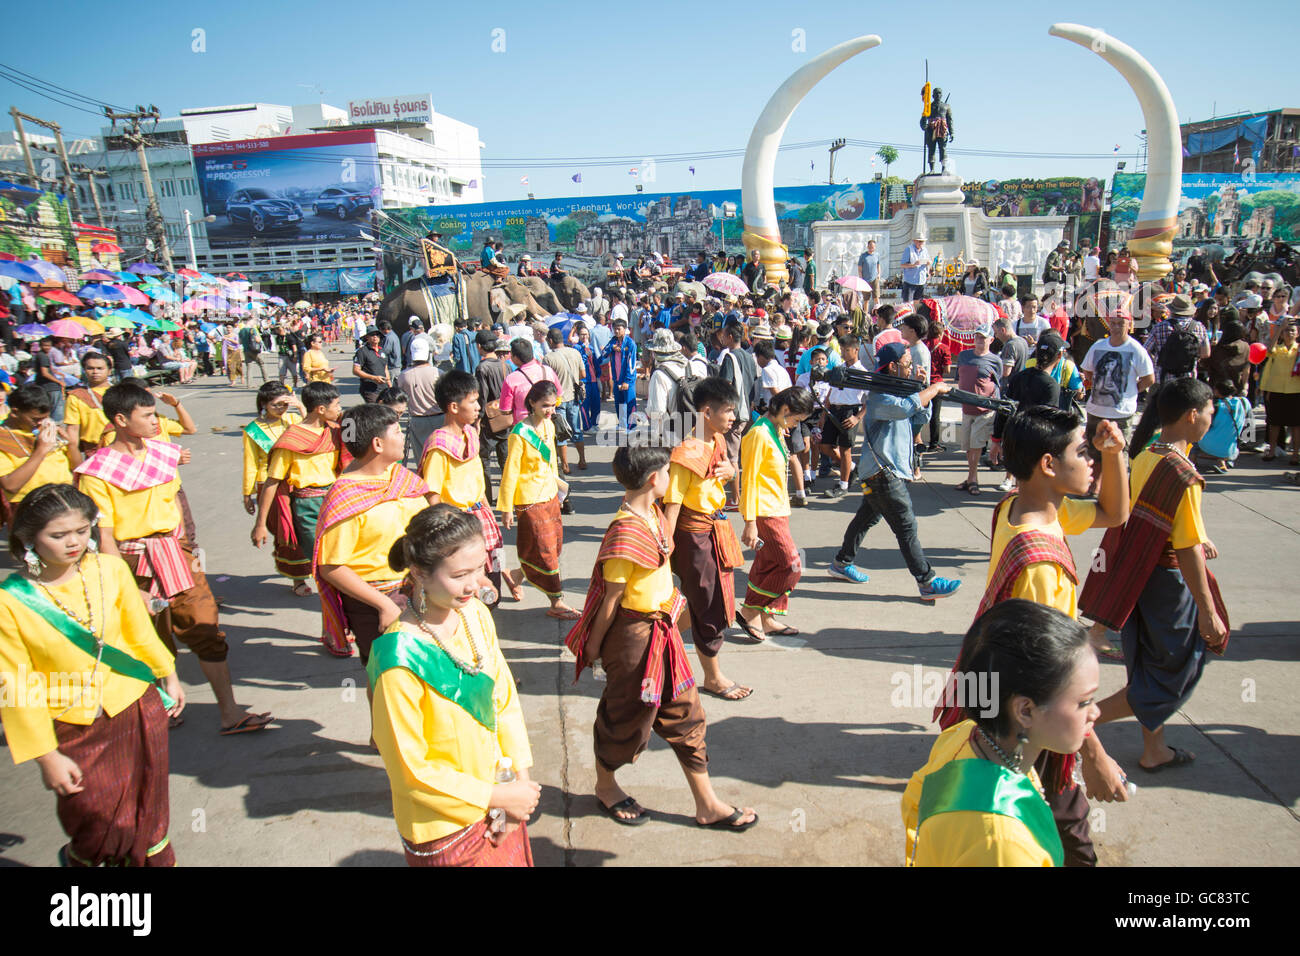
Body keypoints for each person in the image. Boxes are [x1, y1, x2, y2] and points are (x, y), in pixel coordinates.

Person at [563, 446, 757, 830]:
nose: (670, 479)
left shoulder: (651, 514)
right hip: (634, 640)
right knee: (626, 720)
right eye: (667, 473)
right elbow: (609, 601)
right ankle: (606, 786)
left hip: (663, 636)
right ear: (655, 480)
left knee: (687, 715)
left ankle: (708, 804)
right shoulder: (625, 530)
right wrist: (596, 647)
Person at [0, 484, 185, 866]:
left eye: (82, 531)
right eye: (58, 534)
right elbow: (14, 684)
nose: (74, 542)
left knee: (149, 809)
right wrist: (46, 755)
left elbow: (137, 631)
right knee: (94, 821)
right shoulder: (10, 601)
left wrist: (169, 675)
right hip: (72, 723)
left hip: (135, 706)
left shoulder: (110, 569)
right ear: (28, 538)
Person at [78, 383, 270, 735]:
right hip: (132, 561)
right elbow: (104, 537)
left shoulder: (162, 453)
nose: (156, 421)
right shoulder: (96, 472)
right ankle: (161, 707)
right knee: (148, 636)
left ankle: (230, 712)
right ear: (121, 420)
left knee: (205, 626)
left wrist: (184, 550)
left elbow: (175, 506)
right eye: (148, 415)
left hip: (175, 552)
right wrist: (124, 585)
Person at [369, 505, 539, 865]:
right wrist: (496, 798)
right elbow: (411, 770)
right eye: (460, 574)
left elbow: (504, 703)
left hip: (503, 800)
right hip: (444, 825)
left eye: (480, 568)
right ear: (419, 572)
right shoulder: (397, 659)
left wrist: (518, 789)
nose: (476, 583)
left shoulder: (475, 614)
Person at [1082, 378, 1228, 773]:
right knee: (1170, 672)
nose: (1210, 422)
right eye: (1210, 415)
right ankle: (1081, 720)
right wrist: (1207, 609)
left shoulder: (1149, 454)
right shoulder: (1182, 473)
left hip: (1139, 581)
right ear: (1192, 415)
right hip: (1167, 584)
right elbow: (1186, 548)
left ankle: (1154, 748)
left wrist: (1198, 535)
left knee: (1146, 664)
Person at [902, 601, 1100, 867]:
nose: (1095, 713)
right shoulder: (1002, 848)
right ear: (1025, 711)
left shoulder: (964, 736)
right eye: (1084, 702)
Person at [829, 343, 962, 599]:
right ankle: (926, 581)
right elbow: (903, 409)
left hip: (884, 472)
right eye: (907, 364)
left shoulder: (900, 394)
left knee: (865, 519)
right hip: (882, 473)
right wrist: (933, 388)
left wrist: (923, 392)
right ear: (892, 366)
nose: (911, 368)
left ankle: (841, 563)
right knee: (906, 525)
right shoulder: (879, 397)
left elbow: (916, 419)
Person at [314, 405, 432, 665]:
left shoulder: (399, 476)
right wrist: (383, 605)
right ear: (378, 443)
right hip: (376, 600)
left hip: (419, 588)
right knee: (390, 673)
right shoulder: (345, 497)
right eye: (398, 431)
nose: (403, 437)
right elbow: (330, 566)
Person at [661, 377, 749, 701]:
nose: (733, 417)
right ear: (706, 411)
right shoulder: (686, 453)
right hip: (693, 536)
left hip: (714, 530)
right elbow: (673, 504)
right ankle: (712, 678)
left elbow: (724, 470)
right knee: (709, 605)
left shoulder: (717, 440)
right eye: (727, 411)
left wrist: (730, 473)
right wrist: (664, 546)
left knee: (704, 602)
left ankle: (655, 641)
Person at [251, 382, 346, 626]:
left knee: (343, 562)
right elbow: (272, 482)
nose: (341, 409)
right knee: (325, 568)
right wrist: (260, 523)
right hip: (308, 506)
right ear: (322, 409)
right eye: (337, 405)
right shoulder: (291, 440)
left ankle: (341, 616)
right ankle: (334, 625)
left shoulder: (335, 431)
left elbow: (354, 449)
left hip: (335, 501)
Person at [424, 370, 517, 606]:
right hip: (456, 523)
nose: (478, 407)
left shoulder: (471, 435)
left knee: (492, 573)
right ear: (454, 407)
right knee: (467, 584)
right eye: (473, 401)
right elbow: (433, 495)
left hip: (481, 516)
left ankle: (492, 604)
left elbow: (478, 482)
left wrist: (489, 513)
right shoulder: (438, 445)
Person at [734, 386, 812, 639]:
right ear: (786, 410)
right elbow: (751, 481)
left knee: (767, 564)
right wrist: (750, 522)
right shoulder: (759, 434)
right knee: (792, 565)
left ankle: (766, 617)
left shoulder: (774, 429)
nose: (795, 424)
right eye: (796, 419)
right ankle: (749, 612)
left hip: (777, 508)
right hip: (765, 512)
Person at [497, 380, 578, 619]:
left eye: (553, 405)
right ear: (531, 402)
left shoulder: (549, 426)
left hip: (550, 495)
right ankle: (557, 601)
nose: (550, 410)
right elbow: (510, 471)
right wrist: (506, 507)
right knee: (545, 552)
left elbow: (552, 461)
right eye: (545, 405)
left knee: (553, 547)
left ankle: (515, 576)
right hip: (530, 500)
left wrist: (560, 491)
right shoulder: (519, 434)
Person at [242, 382, 309, 594]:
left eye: (284, 404)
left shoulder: (292, 419)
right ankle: (298, 579)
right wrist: (247, 494)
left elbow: (311, 433)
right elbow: (250, 463)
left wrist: (300, 407)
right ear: (263, 404)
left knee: (305, 529)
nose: (281, 409)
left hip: (296, 481)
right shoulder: (254, 430)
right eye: (276, 405)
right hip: (270, 484)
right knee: (287, 534)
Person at [1081, 308, 1156, 495]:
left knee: (1117, 452)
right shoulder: (1098, 345)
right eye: (1113, 323)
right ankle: (1094, 486)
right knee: (1093, 450)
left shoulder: (1135, 349)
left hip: (1121, 412)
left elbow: (1149, 378)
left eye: (1120, 323)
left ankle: (1117, 491)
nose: (1116, 327)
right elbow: (1087, 370)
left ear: (1129, 325)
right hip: (1096, 409)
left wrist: (1131, 392)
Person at [0, 385, 76, 525]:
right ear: (15, 412)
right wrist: (41, 450)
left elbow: (76, 467)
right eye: (35, 419)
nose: (42, 423)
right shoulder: (3, 438)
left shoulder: (46, 430)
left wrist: (72, 445)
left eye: (46, 417)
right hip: (27, 504)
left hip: (63, 497)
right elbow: (11, 485)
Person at [955, 325, 1002, 495]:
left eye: (984, 338)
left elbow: (998, 383)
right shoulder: (963, 356)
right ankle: (970, 478)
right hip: (966, 408)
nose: (980, 341)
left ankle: (973, 478)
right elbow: (959, 378)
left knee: (976, 445)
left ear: (991, 340)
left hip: (984, 410)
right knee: (967, 446)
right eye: (977, 337)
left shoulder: (995, 360)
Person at [543, 326, 586, 477]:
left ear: (550, 340)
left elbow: (547, 381)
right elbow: (583, 374)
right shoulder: (575, 352)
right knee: (576, 429)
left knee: (561, 433)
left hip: (558, 400)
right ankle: (582, 460)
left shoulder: (548, 358)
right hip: (574, 397)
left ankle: (565, 465)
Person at [1145, 294, 1211, 384]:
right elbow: (1205, 353)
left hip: (1163, 377)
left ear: (1172, 310)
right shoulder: (1199, 327)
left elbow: (1145, 350)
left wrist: (1155, 361)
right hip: (1188, 377)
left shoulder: (1160, 326)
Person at [1259, 319, 1300, 464]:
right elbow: (1269, 350)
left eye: (1292, 331)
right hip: (1276, 390)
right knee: (1274, 423)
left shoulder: (1298, 349)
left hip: (1295, 391)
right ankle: (1272, 451)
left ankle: (1295, 454)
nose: (1289, 333)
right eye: (1286, 331)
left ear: (1297, 334)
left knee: (1296, 424)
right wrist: (1278, 329)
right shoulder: (1278, 348)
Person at [397, 337, 442, 461]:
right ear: (428, 354)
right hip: (440, 418)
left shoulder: (403, 376)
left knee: (421, 459)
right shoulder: (438, 373)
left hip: (417, 421)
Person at [498, 338, 559, 426]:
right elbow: (559, 396)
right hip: (547, 423)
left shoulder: (511, 379)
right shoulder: (548, 371)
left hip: (524, 428)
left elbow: (505, 409)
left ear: (515, 357)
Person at [62, 353, 112, 457]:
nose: (95, 372)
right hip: (94, 450)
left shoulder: (121, 391)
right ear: (84, 371)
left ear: (109, 371)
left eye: (100, 368)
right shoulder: (76, 396)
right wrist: (73, 456)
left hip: (123, 445)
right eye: (90, 368)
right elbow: (73, 429)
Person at [1196, 380, 1248, 474]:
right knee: (1224, 437)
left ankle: (1192, 460)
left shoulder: (1215, 405)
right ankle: (1223, 461)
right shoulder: (1244, 402)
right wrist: (1246, 440)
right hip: (1233, 450)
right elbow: (1250, 423)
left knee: (1195, 435)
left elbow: (1203, 425)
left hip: (1208, 446)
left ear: (1216, 391)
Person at [601, 317, 638, 436]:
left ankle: (632, 425)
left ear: (625, 329)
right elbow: (603, 353)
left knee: (629, 402)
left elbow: (631, 364)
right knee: (619, 402)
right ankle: (622, 423)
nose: (616, 331)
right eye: (614, 329)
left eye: (618, 329)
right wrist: (611, 348)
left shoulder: (630, 343)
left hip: (627, 379)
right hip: (617, 378)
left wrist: (628, 380)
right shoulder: (613, 341)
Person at [353, 327, 389, 403]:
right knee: (375, 411)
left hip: (384, 387)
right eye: (372, 335)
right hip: (369, 389)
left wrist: (389, 384)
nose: (375, 337)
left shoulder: (383, 351)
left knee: (386, 410)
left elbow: (385, 369)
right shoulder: (362, 351)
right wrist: (373, 378)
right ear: (367, 338)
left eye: (377, 335)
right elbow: (356, 370)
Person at [238, 320, 268, 386]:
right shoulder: (252, 330)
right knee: (262, 364)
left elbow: (240, 342)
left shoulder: (241, 331)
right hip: (254, 350)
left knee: (249, 367)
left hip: (246, 350)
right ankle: (266, 381)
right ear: (249, 322)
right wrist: (260, 340)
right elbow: (257, 339)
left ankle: (249, 384)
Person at [901, 235, 928, 302]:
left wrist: (928, 264)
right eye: (919, 241)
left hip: (921, 282)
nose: (921, 243)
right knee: (908, 304)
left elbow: (928, 260)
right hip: (910, 282)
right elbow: (902, 265)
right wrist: (913, 265)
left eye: (922, 242)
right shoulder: (909, 249)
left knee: (918, 305)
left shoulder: (925, 250)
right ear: (914, 241)